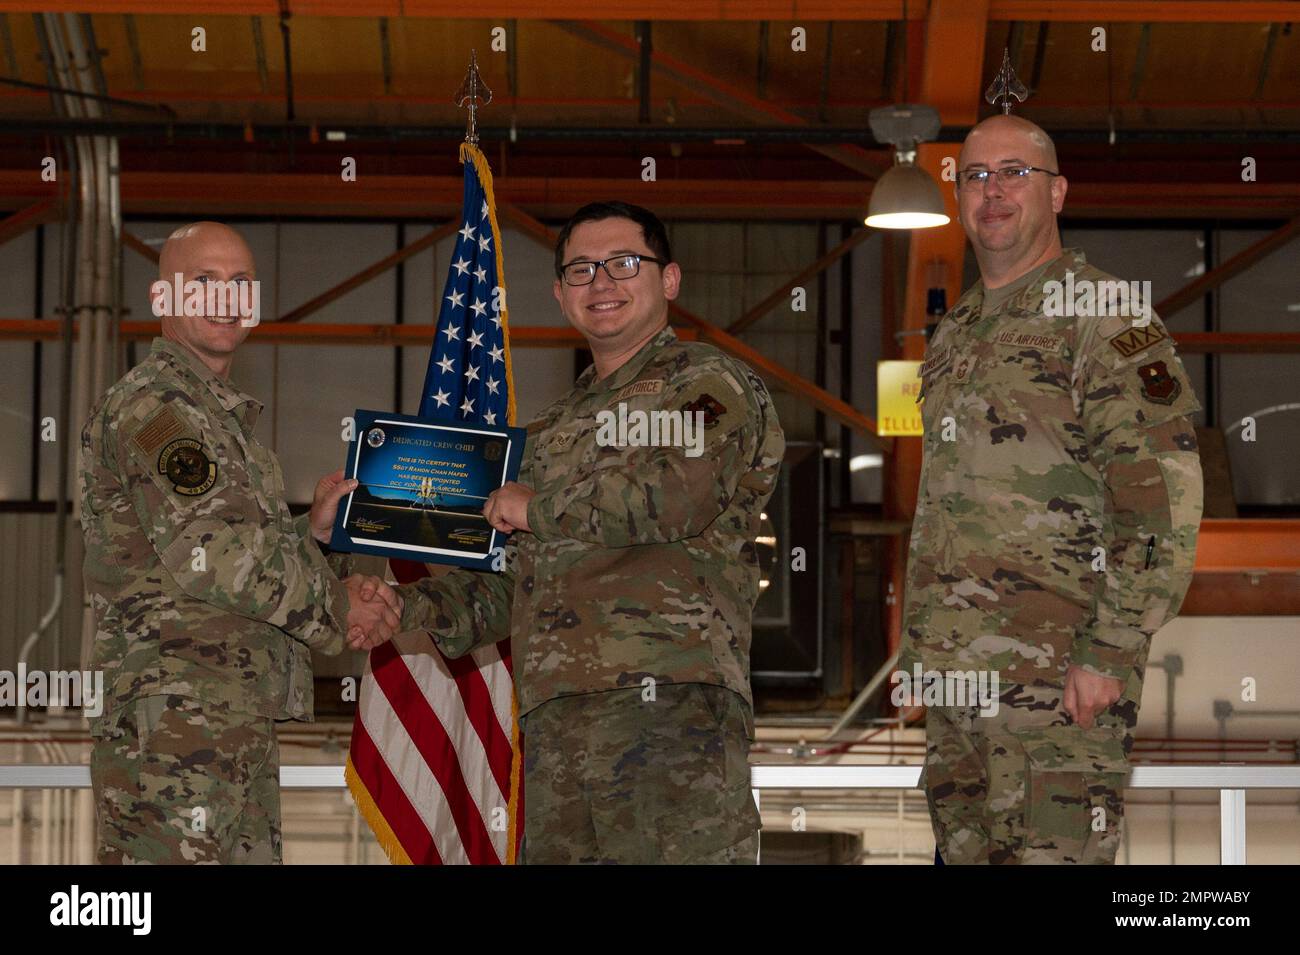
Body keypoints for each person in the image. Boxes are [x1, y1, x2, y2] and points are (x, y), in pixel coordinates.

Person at [393, 201, 785, 863]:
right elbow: (513, 580)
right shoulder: (548, 433)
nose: (600, 282)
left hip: (668, 715)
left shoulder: (706, 384)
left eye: (623, 263)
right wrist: (401, 606)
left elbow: (671, 496)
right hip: (556, 729)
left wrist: (534, 506)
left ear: (670, 280)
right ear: (558, 294)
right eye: (580, 269)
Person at [899, 115, 1203, 864]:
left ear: (1058, 191)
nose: (992, 191)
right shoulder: (958, 329)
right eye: (974, 176)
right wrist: (918, 657)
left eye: (1014, 173)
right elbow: (942, 506)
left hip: (1056, 680)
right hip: (958, 685)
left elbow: (1163, 494)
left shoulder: (1103, 315)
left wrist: (1111, 648)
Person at [80, 221, 403, 864]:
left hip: (228, 718)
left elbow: (226, 548)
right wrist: (341, 606)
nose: (225, 298)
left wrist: (312, 533)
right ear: (163, 299)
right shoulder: (157, 408)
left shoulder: (220, 418)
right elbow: (217, 558)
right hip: (174, 727)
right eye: (203, 282)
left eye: (241, 284)